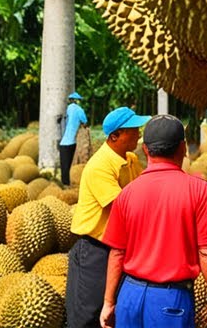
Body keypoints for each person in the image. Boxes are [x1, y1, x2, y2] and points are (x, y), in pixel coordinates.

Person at [101, 115, 207, 328]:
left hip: (129, 295)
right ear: (183, 148)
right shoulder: (198, 190)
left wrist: (109, 302)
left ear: (146, 150)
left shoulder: (127, 193)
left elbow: (117, 253)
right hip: (170, 299)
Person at [65, 106, 150, 328]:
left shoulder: (131, 159)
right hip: (95, 249)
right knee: (88, 314)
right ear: (115, 136)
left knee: (113, 313)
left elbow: (143, 191)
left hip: (120, 247)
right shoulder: (99, 167)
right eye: (133, 129)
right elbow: (124, 208)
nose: (139, 133)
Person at [59, 92, 88, 186]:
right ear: (75, 100)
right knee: (70, 165)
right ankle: (68, 184)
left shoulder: (66, 110)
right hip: (72, 142)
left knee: (64, 166)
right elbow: (85, 122)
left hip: (63, 142)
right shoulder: (79, 110)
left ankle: (65, 184)